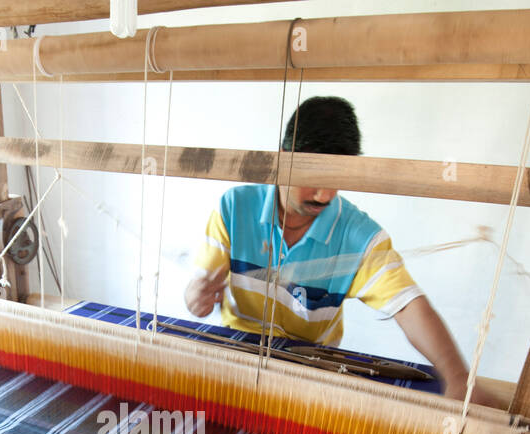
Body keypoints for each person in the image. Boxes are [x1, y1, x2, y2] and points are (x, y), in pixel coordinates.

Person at [185, 96, 494, 405]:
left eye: (337, 180)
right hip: (236, 358)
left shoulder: (359, 237)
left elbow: (408, 306)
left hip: (308, 375)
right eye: (315, 178)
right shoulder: (234, 208)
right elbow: (199, 287)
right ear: (284, 157)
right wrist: (195, 296)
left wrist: (457, 378)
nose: (325, 195)